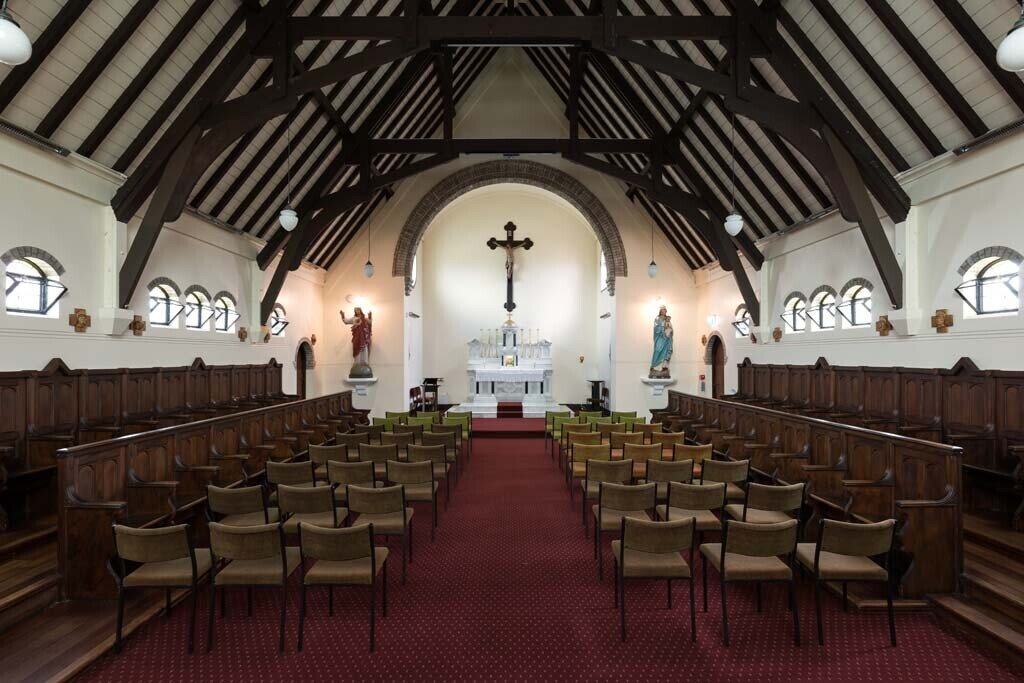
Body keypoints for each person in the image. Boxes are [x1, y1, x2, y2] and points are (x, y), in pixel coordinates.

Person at [340, 308, 373, 377]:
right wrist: (342, 315)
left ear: (361, 310)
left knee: (364, 349)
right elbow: (346, 321)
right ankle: (357, 365)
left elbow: (369, 322)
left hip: (363, 338)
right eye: (355, 310)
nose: (357, 311)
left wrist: (370, 316)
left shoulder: (364, 318)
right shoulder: (354, 318)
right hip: (356, 338)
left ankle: (365, 364)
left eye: (358, 310)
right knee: (356, 349)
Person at [649, 305, 673, 378]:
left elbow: (671, 328)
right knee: (658, 350)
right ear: (660, 311)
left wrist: (669, 329)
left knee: (666, 351)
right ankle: (655, 367)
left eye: (665, 310)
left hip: (666, 339)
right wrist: (662, 327)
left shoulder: (667, 319)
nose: (664, 311)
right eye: (663, 310)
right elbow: (656, 328)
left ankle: (663, 367)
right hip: (659, 337)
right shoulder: (657, 318)